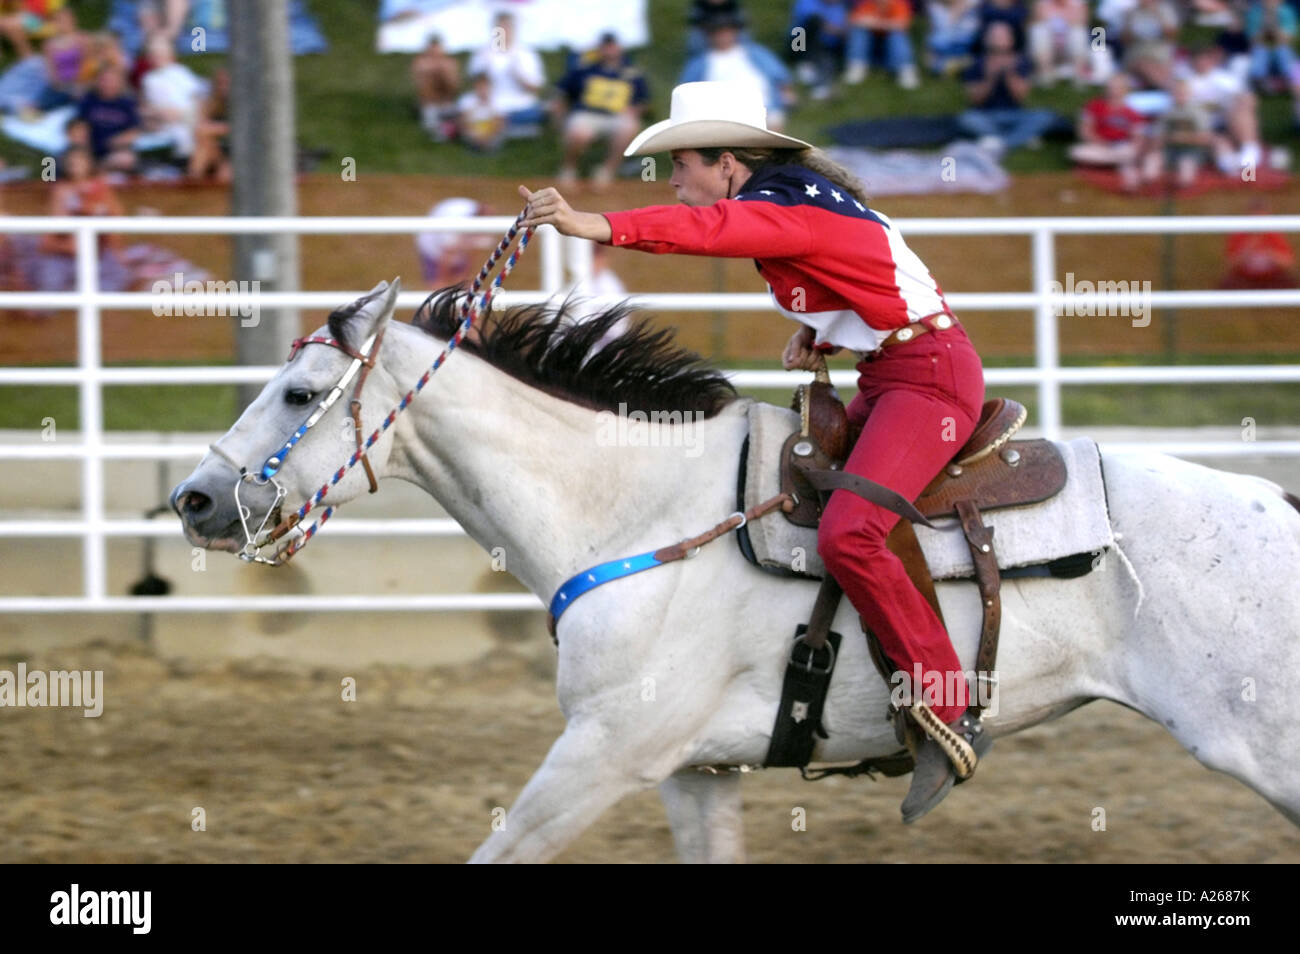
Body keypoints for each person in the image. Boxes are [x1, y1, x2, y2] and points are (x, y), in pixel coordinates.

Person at [516, 80, 993, 824]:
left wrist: (593, 224)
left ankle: (947, 703)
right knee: (804, 507)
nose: (675, 180)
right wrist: (828, 330)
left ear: (727, 163)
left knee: (849, 532)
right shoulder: (803, 197)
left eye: (683, 165)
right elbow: (885, 278)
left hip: (925, 381)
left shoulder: (788, 206)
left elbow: (701, 231)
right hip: (905, 369)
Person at [555, 32, 649, 189]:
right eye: (606, 46)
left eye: (612, 46)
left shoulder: (633, 74)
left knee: (628, 127)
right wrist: (560, 120)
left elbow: (643, 101)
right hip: (586, 114)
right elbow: (561, 94)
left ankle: (607, 171)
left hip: (617, 116)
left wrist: (634, 111)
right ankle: (568, 169)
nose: (609, 50)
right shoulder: (584, 70)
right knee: (580, 132)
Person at [680, 10, 796, 130]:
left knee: (773, 121)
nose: (724, 36)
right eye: (719, 32)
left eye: (727, 31)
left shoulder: (754, 52)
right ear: (710, 35)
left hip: (763, 107)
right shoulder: (701, 62)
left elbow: (778, 74)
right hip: (721, 112)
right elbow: (685, 89)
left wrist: (786, 92)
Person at [959, 20, 1057, 154]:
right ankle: (1021, 137)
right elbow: (975, 99)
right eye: (994, 36)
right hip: (986, 115)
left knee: (1045, 116)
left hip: (1015, 114)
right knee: (967, 119)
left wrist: (1009, 73)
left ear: (1011, 40)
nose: (998, 40)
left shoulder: (1021, 61)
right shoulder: (976, 63)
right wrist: (990, 77)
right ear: (987, 39)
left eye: (1002, 36)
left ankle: (998, 142)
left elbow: (1021, 97)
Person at [466, 11, 546, 138]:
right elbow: (474, 84)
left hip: (518, 103)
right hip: (490, 104)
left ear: (513, 29)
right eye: (499, 28)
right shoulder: (483, 53)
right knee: (468, 108)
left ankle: (495, 128)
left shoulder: (526, 54)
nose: (503, 32)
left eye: (507, 27)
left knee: (534, 112)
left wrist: (518, 75)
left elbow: (535, 88)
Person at [1069, 72, 1149, 189]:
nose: (1114, 91)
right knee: (1076, 152)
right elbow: (1085, 131)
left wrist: (1133, 149)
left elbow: (1138, 139)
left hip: (1122, 147)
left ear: (1125, 90)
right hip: (1100, 146)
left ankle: (1128, 179)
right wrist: (1101, 142)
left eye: (1118, 87)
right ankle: (1114, 165)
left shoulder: (1134, 113)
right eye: (1111, 87)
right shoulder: (1094, 106)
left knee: (1127, 153)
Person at [844, 0, 921, 88]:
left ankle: (906, 70)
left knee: (897, 34)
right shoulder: (868, 4)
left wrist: (876, 23)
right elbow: (855, 20)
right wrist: (885, 24)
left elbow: (903, 24)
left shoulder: (899, 4)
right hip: (871, 47)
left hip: (891, 49)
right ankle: (857, 66)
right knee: (859, 31)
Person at [412, 33, 460, 140]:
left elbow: (453, 88)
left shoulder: (449, 64)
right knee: (431, 121)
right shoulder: (421, 64)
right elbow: (422, 90)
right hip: (430, 104)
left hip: (447, 102)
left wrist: (444, 75)